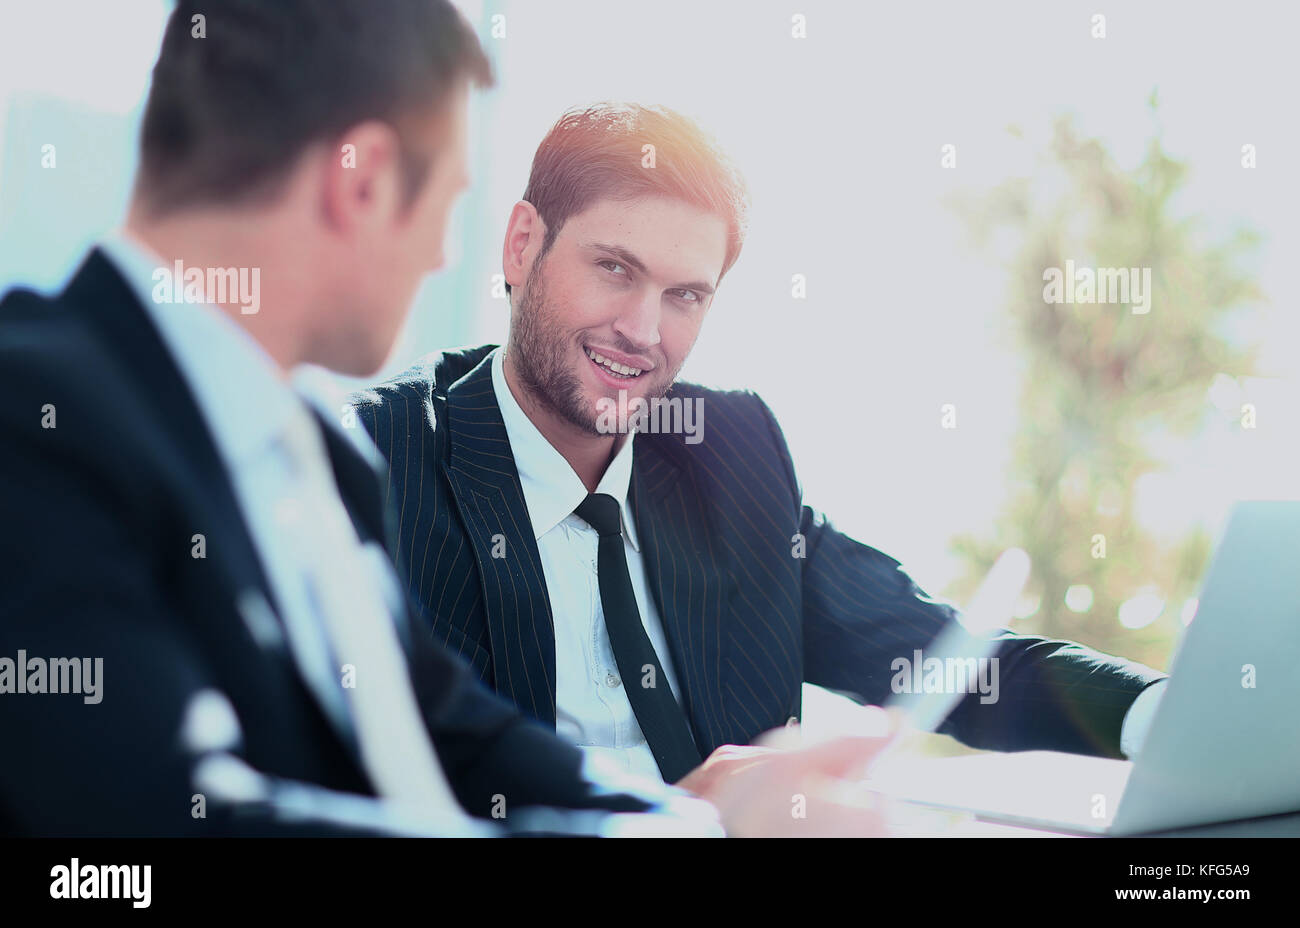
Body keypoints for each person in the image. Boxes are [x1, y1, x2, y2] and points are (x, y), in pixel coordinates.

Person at [0, 1, 891, 837]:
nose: (440, 256)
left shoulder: (311, 451)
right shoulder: (34, 422)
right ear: (364, 184)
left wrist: (699, 818)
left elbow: (453, 734)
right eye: (450, 205)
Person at [352, 102, 1169, 792]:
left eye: (685, 296)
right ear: (522, 245)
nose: (642, 331)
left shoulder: (726, 455)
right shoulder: (373, 462)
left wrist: (1164, 713)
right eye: (613, 267)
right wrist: (675, 824)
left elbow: (944, 660)